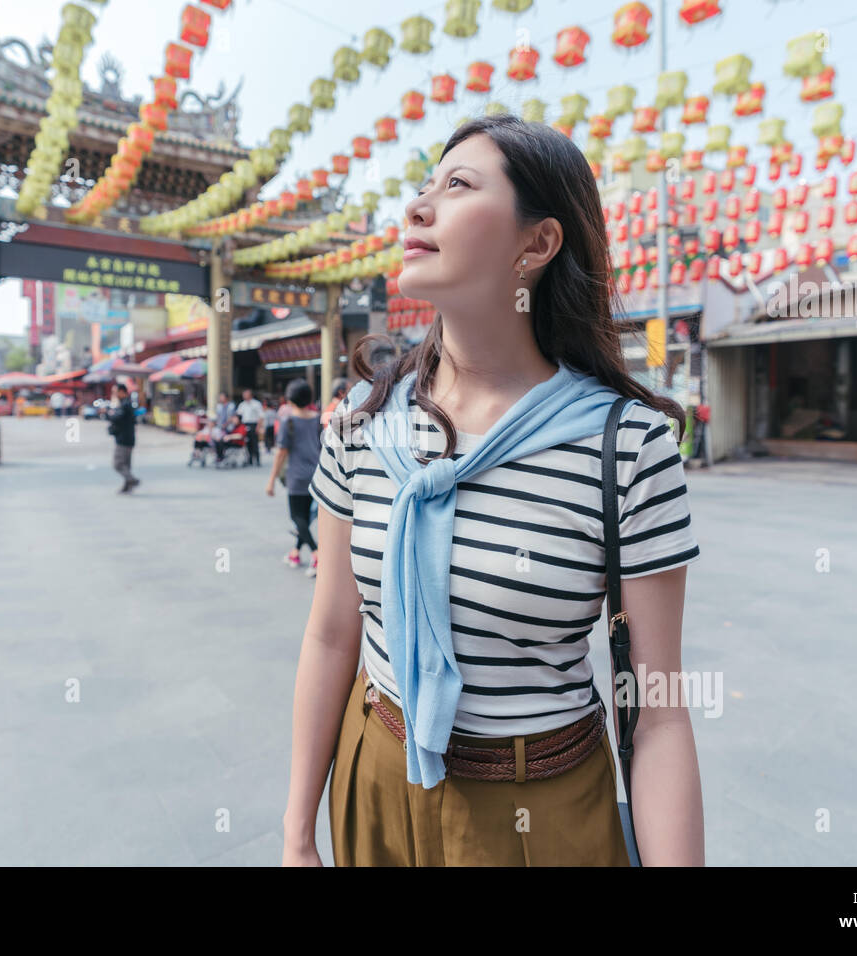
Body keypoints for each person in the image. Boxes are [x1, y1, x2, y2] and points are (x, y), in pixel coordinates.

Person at [282, 114, 703, 868]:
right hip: (374, 774)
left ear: (537, 245)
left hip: (539, 809)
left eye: (457, 186)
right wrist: (295, 838)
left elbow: (660, 712)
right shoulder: (363, 420)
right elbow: (331, 634)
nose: (416, 207)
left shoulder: (628, 447)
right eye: (421, 189)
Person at [267, 380, 324, 577]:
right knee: (305, 518)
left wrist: (271, 480)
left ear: (290, 400)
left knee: (297, 517)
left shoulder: (288, 422)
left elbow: (281, 453)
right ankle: (295, 553)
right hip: (316, 474)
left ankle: (317, 553)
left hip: (297, 476)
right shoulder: (318, 419)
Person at [107, 383, 139, 493]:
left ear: (122, 392)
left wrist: (109, 414)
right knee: (126, 464)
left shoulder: (125, 405)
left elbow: (118, 418)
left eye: (115, 392)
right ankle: (127, 486)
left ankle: (131, 480)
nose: (114, 394)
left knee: (118, 464)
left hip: (124, 439)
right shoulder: (125, 404)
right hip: (128, 438)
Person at [236, 388, 265, 466]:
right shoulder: (242, 404)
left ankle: (257, 460)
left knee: (255, 443)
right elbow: (238, 416)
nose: (244, 396)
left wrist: (258, 427)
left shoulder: (256, 404)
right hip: (245, 425)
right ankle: (250, 459)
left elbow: (261, 416)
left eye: (246, 394)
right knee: (247, 443)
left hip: (254, 424)